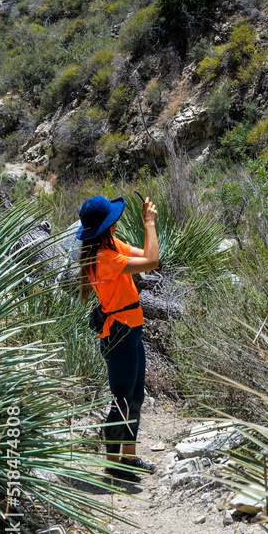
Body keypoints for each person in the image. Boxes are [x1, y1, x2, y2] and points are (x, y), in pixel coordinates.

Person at [78, 194, 159, 482]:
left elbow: (145, 255)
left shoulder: (110, 246)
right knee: (122, 399)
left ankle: (128, 457)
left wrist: (148, 229)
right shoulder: (105, 258)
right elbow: (152, 260)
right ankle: (114, 466)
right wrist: (149, 223)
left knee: (135, 396)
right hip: (120, 333)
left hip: (131, 328)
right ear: (107, 226)